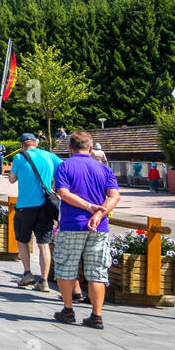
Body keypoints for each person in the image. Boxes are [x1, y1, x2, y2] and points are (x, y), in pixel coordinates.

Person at [51, 131, 120, 329]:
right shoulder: (104, 169)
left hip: (72, 224)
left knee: (66, 266)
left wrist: (89, 207)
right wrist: (99, 214)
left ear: (70, 149)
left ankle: (68, 309)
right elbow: (114, 196)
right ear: (91, 149)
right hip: (99, 227)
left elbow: (63, 193)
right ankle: (96, 315)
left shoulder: (65, 166)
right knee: (97, 270)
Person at [8, 132, 61, 291]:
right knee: (44, 244)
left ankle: (27, 273)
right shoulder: (50, 156)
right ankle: (44, 281)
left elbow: (11, 179)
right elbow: (63, 169)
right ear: (36, 143)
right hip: (45, 206)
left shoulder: (19, 157)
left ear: (21, 145)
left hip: (25, 205)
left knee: (22, 240)